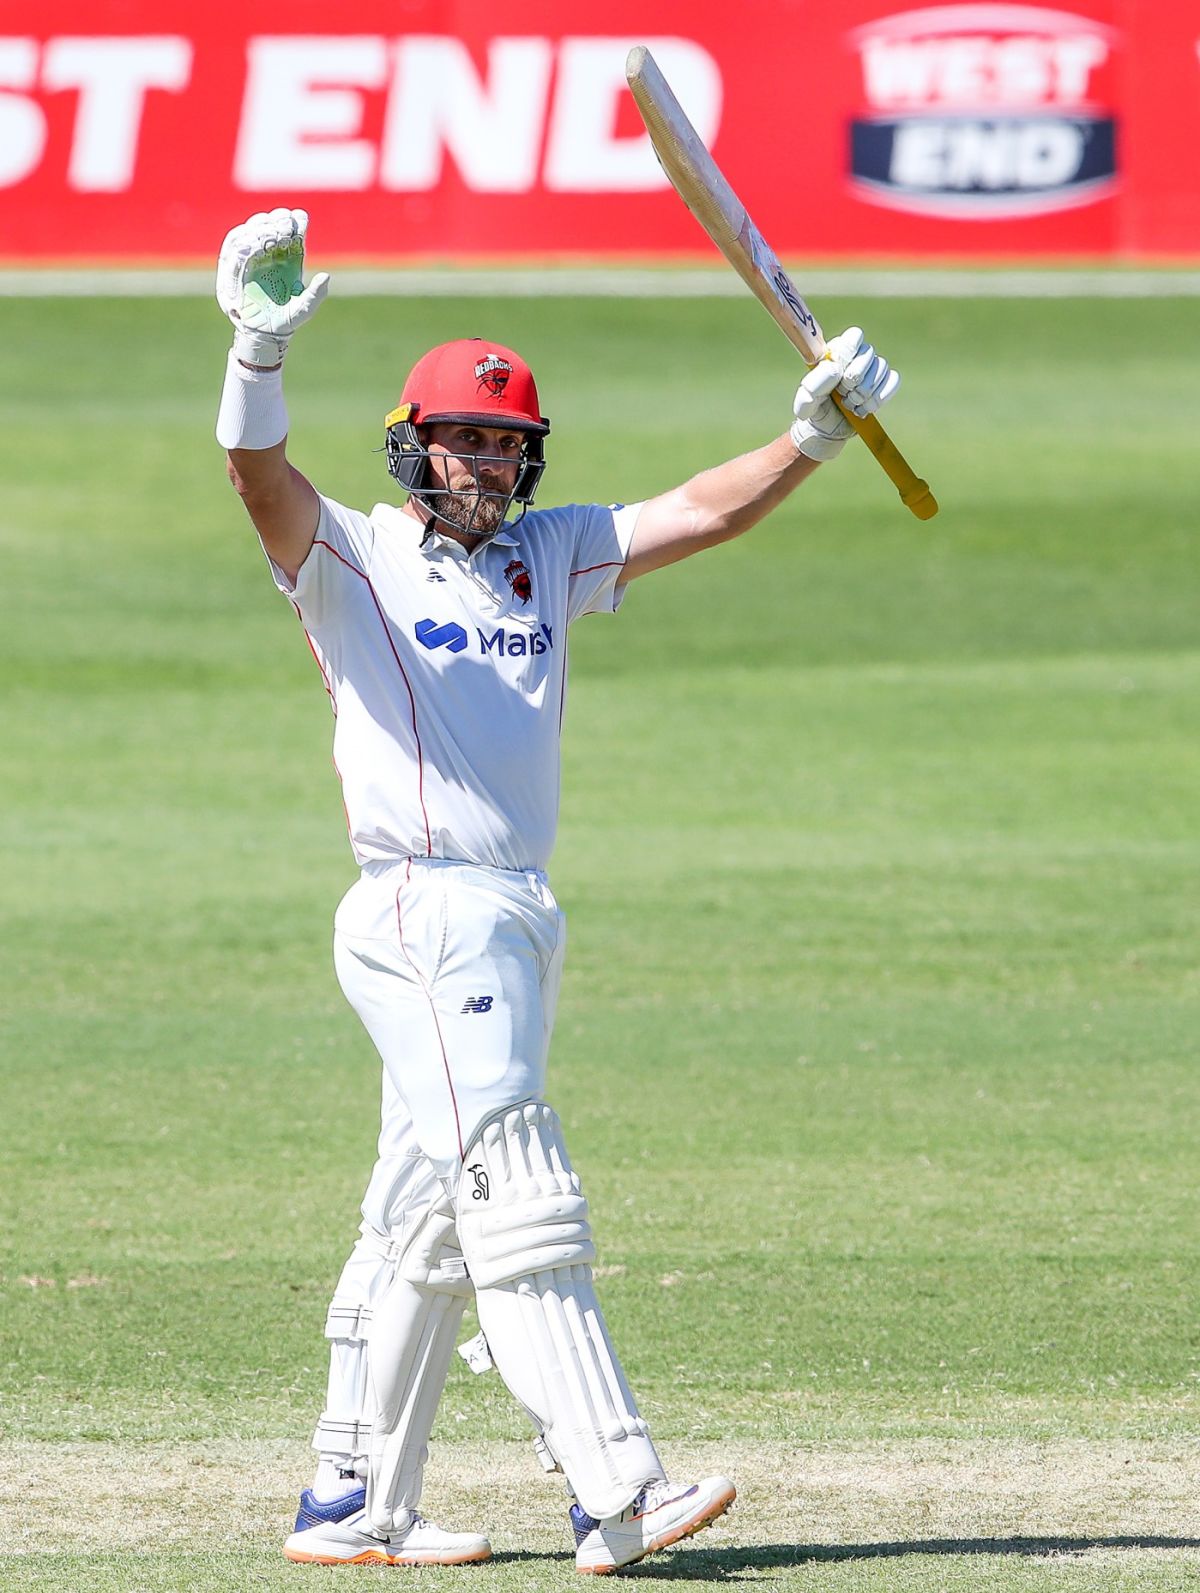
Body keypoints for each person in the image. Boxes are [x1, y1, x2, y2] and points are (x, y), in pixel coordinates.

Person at [215, 208, 900, 1575]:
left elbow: (702, 508)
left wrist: (812, 435)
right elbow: (254, 467)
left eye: (506, 443)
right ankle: (612, 1488)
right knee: (512, 1173)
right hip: (420, 907)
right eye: (463, 438)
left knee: (421, 1207)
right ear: (414, 443)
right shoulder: (354, 558)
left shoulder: (551, 552)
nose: (484, 460)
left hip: (519, 911)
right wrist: (257, 348)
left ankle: (352, 1496)